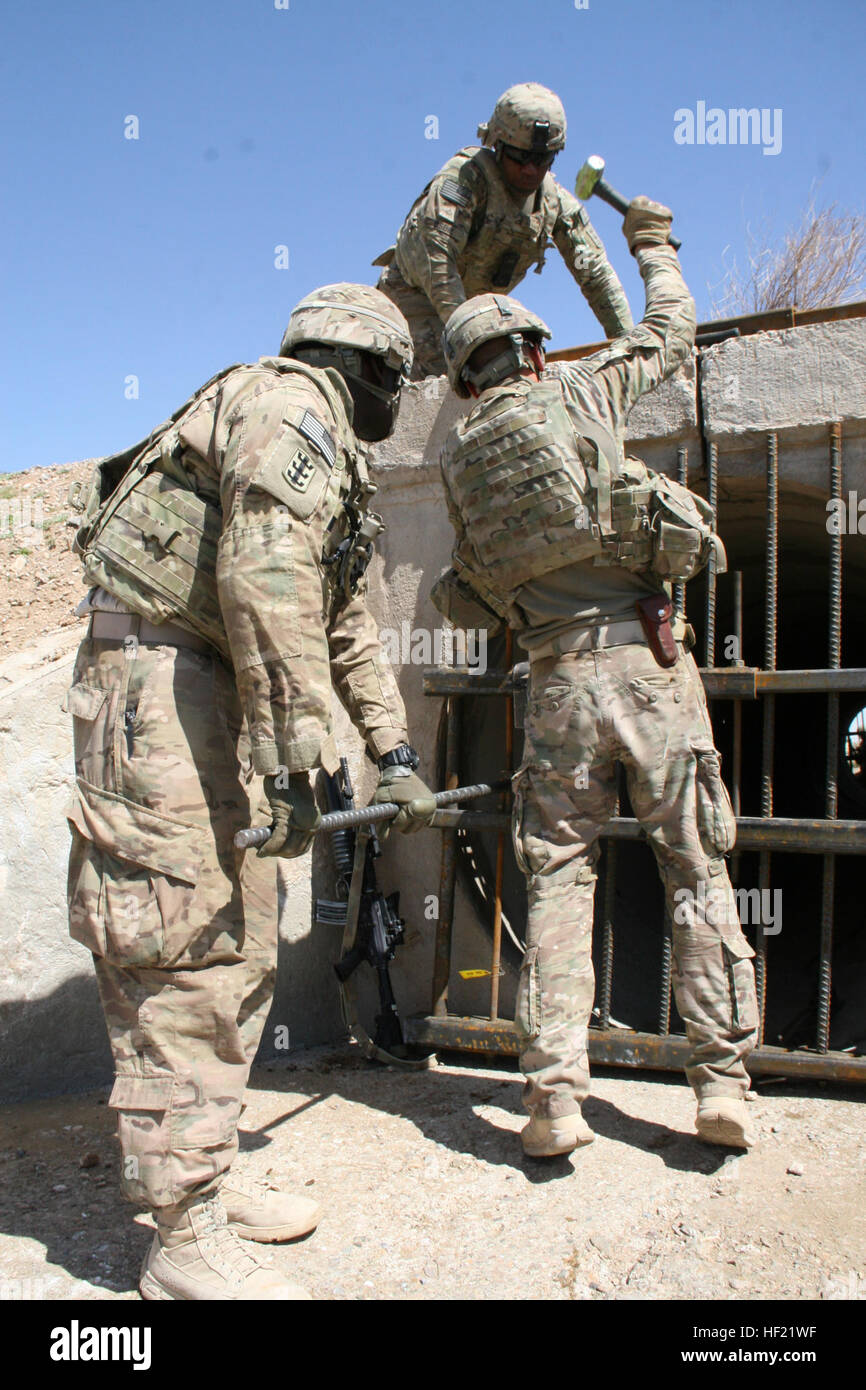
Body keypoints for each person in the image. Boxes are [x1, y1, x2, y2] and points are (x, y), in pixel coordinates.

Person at [65, 283, 436, 1299]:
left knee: (238, 942)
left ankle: (202, 1185)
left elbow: (343, 620)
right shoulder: (291, 405)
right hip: (162, 688)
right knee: (183, 951)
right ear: (366, 368)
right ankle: (181, 1242)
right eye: (398, 382)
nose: (398, 400)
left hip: (213, 690)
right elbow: (263, 581)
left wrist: (393, 754)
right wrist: (297, 759)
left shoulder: (325, 461)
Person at [433, 199, 759, 1159]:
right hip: (648, 667)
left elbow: (467, 597)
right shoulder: (577, 394)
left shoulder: (458, 465)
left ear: (463, 375)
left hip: (554, 685)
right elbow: (668, 333)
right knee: (696, 870)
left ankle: (552, 1105)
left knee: (556, 886)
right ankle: (720, 1085)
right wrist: (652, 243)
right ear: (533, 348)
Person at [374, 82, 633, 379]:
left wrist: (629, 344)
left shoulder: (553, 202)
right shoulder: (463, 182)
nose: (530, 170)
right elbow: (439, 267)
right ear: (497, 145)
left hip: (475, 311)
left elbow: (595, 275)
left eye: (542, 160)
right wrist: (473, 341)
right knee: (443, 376)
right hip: (412, 302)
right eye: (519, 157)